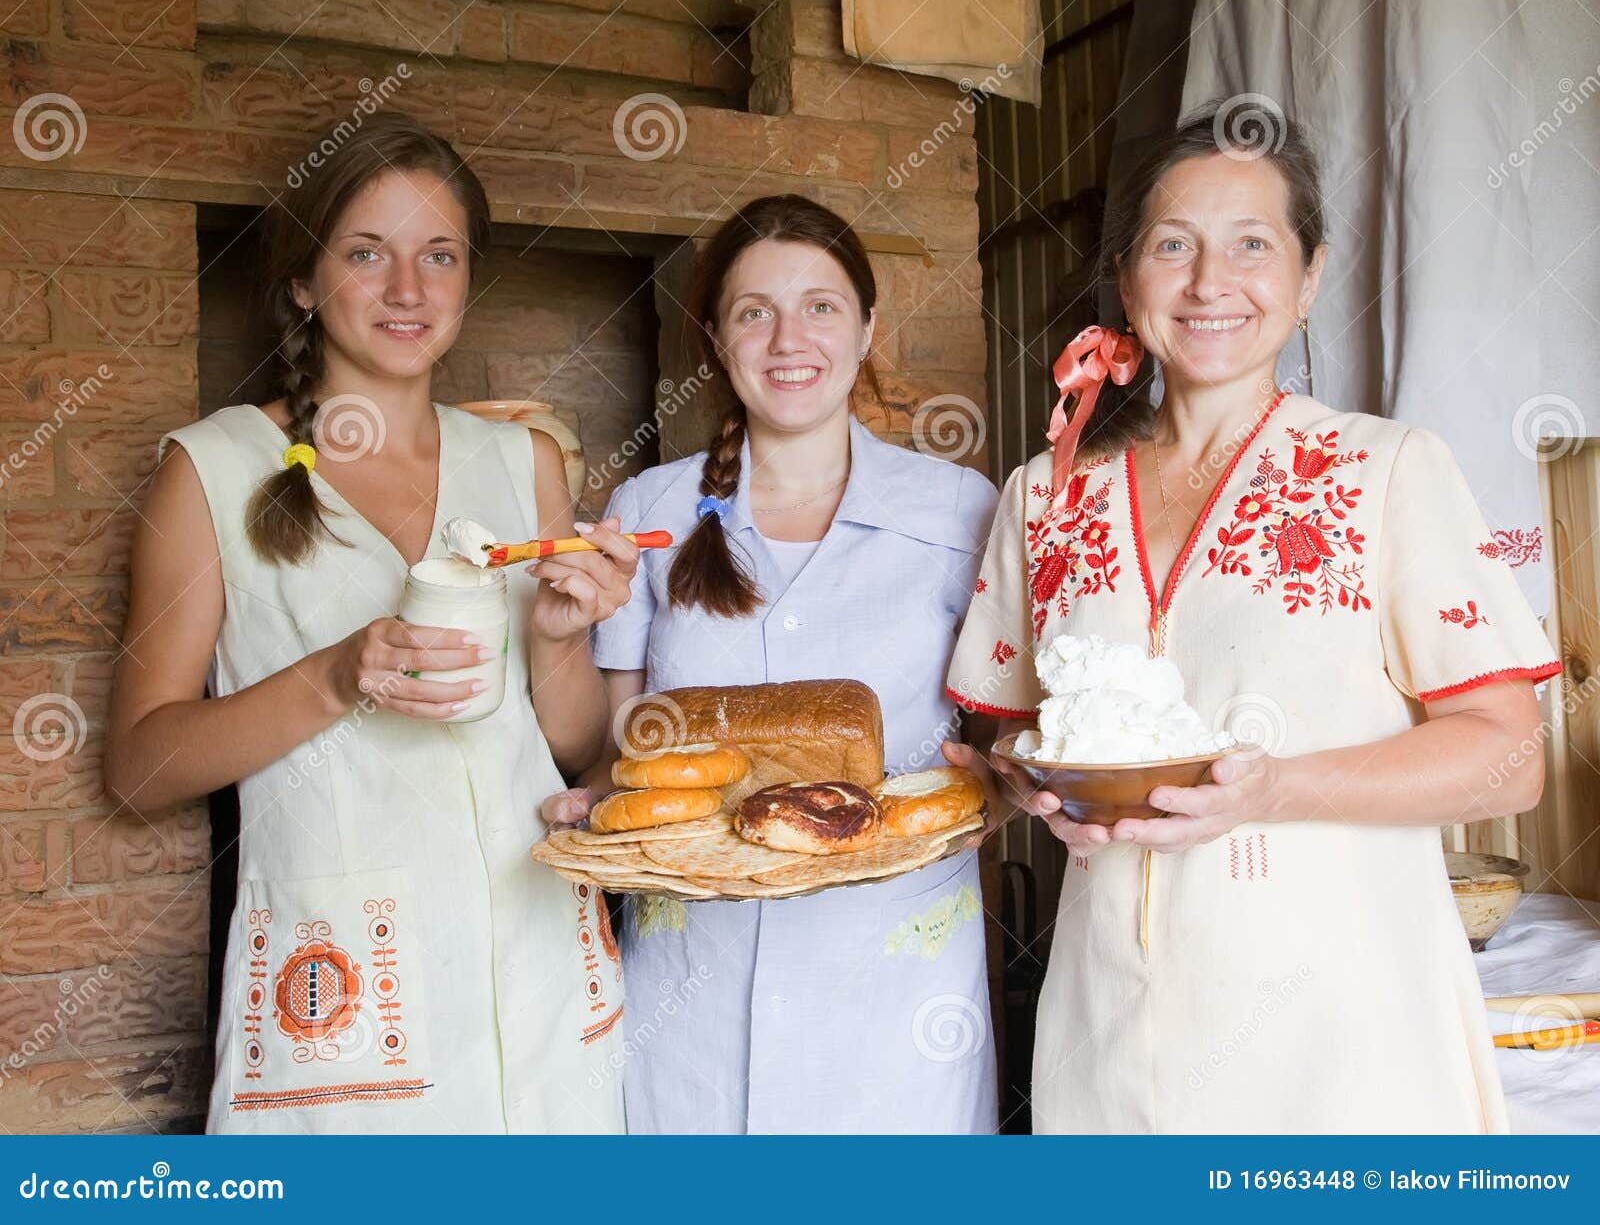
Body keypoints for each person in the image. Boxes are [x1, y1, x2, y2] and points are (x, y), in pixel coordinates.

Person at [947, 105, 1556, 1133]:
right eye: (1171, 245)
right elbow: (1011, 737)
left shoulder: (1384, 471)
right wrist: (1026, 780)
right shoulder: (1043, 497)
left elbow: (1511, 757)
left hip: (1340, 1036)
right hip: (1106, 1031)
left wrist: (1274, 787)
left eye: (1251, 244)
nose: (1207, 280)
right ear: (1129, 278)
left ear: (1307, 277)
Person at [105, 114, 637, 1133]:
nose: (409, 290)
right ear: (303, 280)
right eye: (366, 253)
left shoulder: (523, 464)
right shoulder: (210, 470)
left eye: (439, 255)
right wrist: (334, 677)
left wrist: (561, 637)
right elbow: (137, 768)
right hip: (346, 1003)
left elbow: (566, 744)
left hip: (540, 973)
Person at [541, 194, 1001, 1134]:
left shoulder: (960, 511)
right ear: (716, 336)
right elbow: (606, 748)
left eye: (822, 306)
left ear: (868, 326)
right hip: (690, 1004)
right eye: (754, 310)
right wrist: (554, 638)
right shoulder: (655, 506)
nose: (789, 338)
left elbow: (1004, 744)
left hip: (899, 1000)